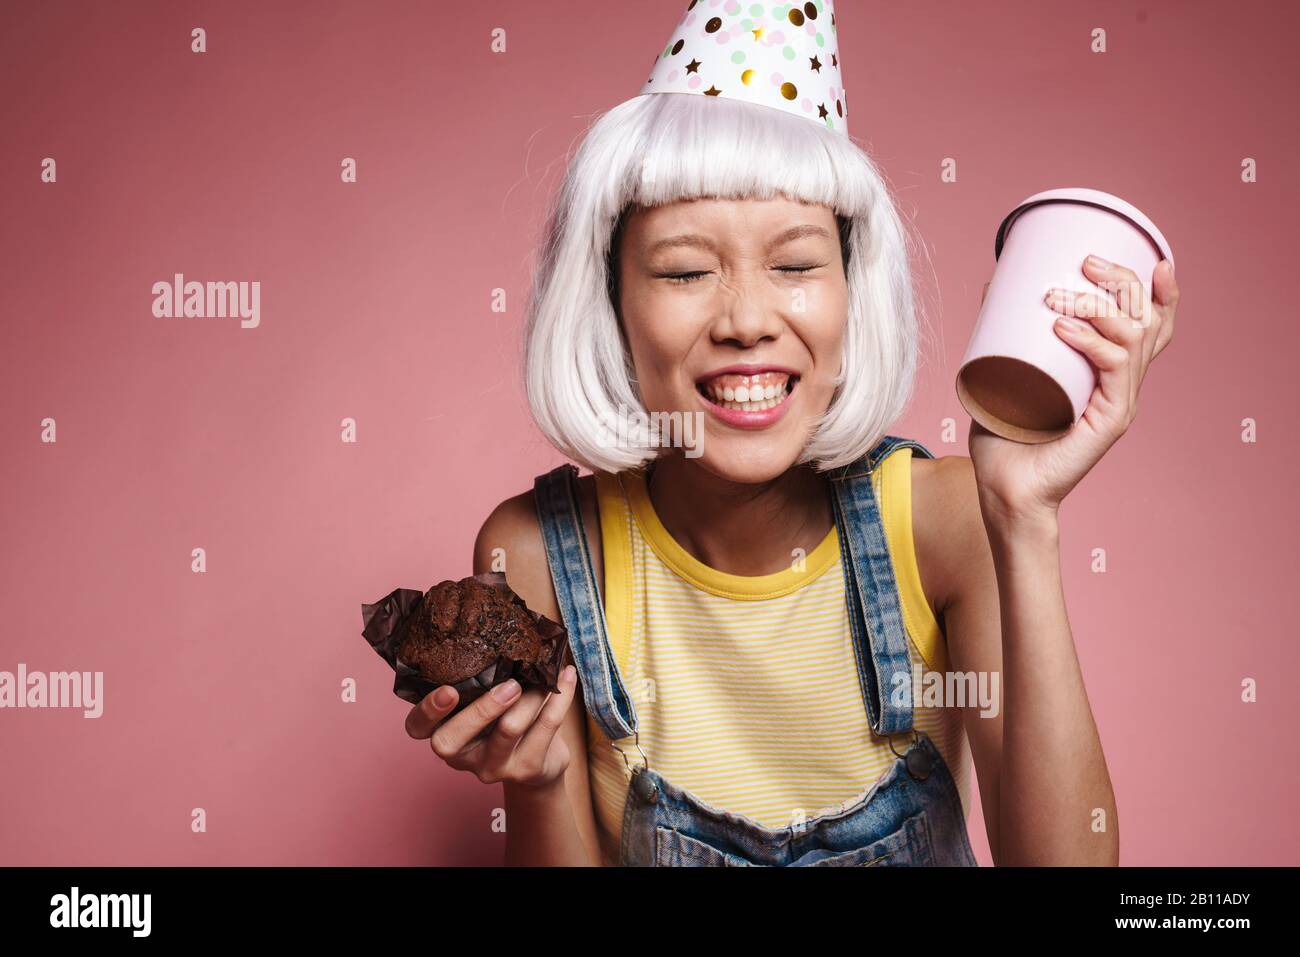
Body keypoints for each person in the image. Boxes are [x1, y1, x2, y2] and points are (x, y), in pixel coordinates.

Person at [403, 0, 1179, 866]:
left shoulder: (946, 527)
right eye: (686, 269)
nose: (746, 321)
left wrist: (1024, 516)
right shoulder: (540, 557)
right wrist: (540, 780)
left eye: (797, 263)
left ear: (851, 290)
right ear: (612, 302)